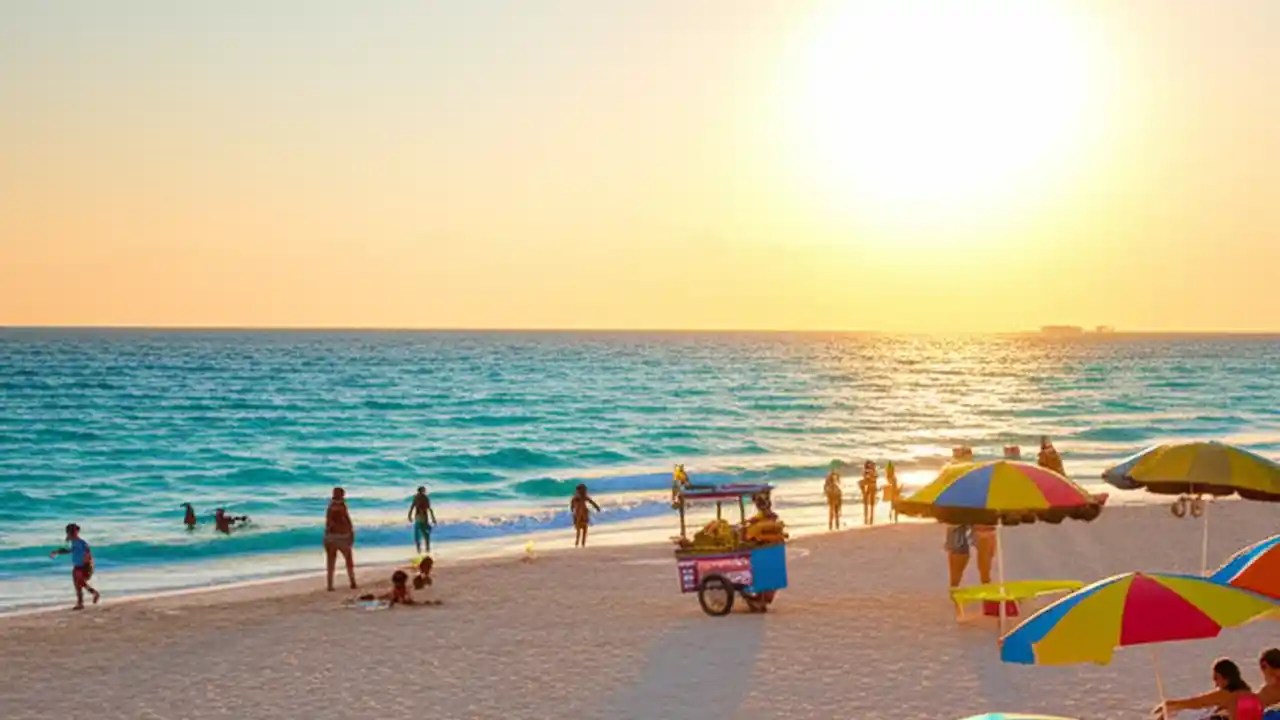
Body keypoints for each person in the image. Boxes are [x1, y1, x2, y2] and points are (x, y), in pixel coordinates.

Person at [1158, 658, 1261, 719]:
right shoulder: (1248, 692)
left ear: (1227, 678)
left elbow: (1197, 703)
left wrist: (1169, 704)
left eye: (1216, 678)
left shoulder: (1226, 695)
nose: (1215, 682)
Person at [49, 523, 100, 610]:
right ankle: (81, 602)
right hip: (77, 566)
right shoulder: (73, 542)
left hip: (84, 566)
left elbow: (88, 552)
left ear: (73, 533)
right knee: (77, 585)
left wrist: (87, 563)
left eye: (68, 533)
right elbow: (69, 550)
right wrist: (57, 552)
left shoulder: (81, 542)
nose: (67, 535)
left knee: (80, 583)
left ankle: (93, 593)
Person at [324, 487, 357, 591]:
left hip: (329, 537)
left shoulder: (329, 507)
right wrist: (351, 533)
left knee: (330, 561)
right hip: (342, 536)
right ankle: (352, 582)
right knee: (348, 560)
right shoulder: (341, 506)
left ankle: (330, 585)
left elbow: (328, 523)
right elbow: (346, 521)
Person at [407, 486, 437, 554]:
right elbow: (429, 509)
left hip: (418, 518)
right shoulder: (425, 497)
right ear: (423, 491)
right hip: (423, 518)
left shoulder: (416, 497)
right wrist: (433, 518)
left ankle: (419, 551)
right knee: (426, 535)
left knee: (417, 535)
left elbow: (412, 507)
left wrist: (409, 516)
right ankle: (427, 551)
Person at [570, 484, 601, 548]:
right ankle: (579, 543)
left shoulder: (577, 498)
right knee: (582, 530)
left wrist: (597, 507)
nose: (585, 491)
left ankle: (580, 544)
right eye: (584, 489)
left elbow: (572, 507)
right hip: (581, 515)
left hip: (581, 515)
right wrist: (597, 507)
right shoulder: (578, 498)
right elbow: (592, 502)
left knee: (583, 529)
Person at [860, 460, 878, 525]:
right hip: (868, 487)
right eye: (870, 464)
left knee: (871, 504)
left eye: (872, 465)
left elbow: (874, 478)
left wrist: (870, 476)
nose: (871, 466)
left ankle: (871, 518)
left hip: (872, 487)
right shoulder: (866, 471)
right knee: (866, 503)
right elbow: (865, 478)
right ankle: (866, 518)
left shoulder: (873, 471)